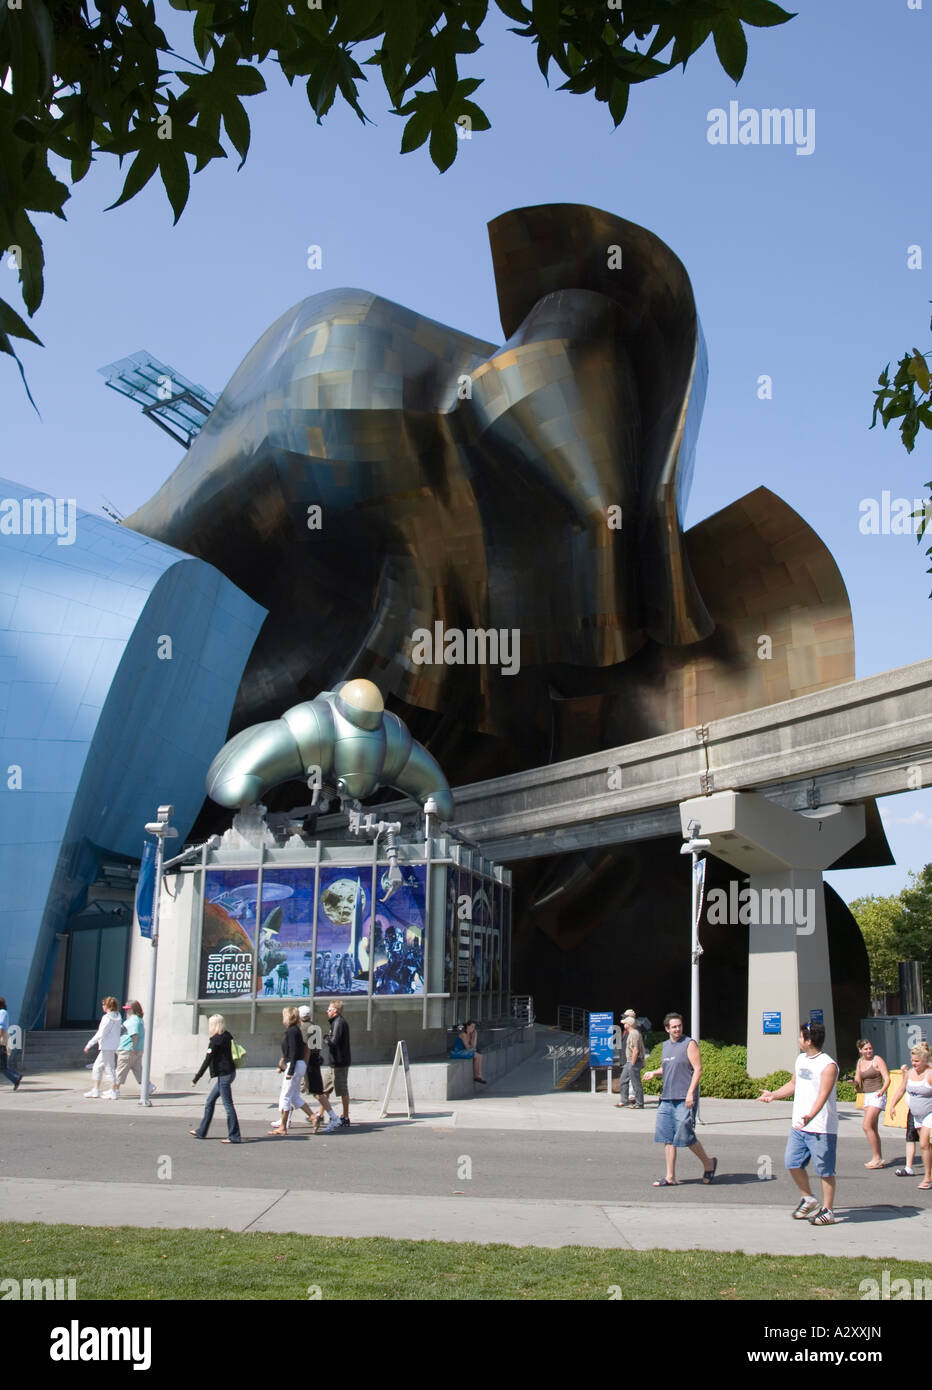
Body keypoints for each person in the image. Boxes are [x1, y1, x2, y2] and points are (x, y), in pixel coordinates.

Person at [758, 1020, 839, 1225]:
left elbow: (823, 1095)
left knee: (825, 1170)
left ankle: (828, 1210)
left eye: (801, 1036)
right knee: (792, 1162)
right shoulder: (801, 1059)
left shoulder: (828, 1065)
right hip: (799, 1126)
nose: (798, 1039)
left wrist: (811, 1114)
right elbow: (794, 1084)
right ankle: (809, 1198)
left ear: (809, 1040)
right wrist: (773, 1095)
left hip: (821, 1127)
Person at [643, 1012, 716, 1186]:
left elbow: (698, 1069)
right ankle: (670, 1177)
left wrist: (691, 1093)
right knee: (667, 1137)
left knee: (685, 1135)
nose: (677, 1029)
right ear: (667, 1029)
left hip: (684, 1097)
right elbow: (667, 1067)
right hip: (667, 1097)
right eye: (674, 1027)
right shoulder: (665, 1046)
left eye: (679, 1026)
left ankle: (708, 1163)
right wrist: (654, 1072)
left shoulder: (689, 1044)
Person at [190, 1014, 242, 1142]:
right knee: (210, 1101)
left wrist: (196, 1078)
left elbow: (207, 1060)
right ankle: (202, 1131)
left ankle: (234, 1136)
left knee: (228, 1105)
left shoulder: (215, 1040)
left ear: (213, 1025)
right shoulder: (227, 1036)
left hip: (224, 1075)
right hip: (229, 1073)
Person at [888, 1042, 932, 1189]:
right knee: (926, 1147)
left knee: (924, 1143)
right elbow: (901, 1090)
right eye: (912, 1060)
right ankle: (929, 1173)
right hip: (916, 1115)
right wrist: (892, 1105)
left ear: (925, 1060)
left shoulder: (930, 1074)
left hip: (929, 1113)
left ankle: (927, 1178)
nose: (914, 1063)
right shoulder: (910, 1073)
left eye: (917, 1061)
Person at [269, 1006, 318, 1135]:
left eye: (283, 1015)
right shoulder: (296, 1030)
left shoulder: (292, 1031)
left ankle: (283, 1127)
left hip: (294, 1065)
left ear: (288, 1017)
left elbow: (294, 1052)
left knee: (285, 1097)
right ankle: (313, 1117)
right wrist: (282, 1066)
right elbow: (299, 1048)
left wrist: (289, 1071)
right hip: (298, 1064)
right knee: (295, 1097)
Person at [298, 1005, 337, 1133]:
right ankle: (285, 1119)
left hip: (308, 1062)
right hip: (315, 1059)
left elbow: (304, 1047)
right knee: (299, 1091)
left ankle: (332, 1116)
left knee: (315, 1092)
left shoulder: (303, 1028)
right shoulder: (316, 1027)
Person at [854, 1037, 890, 1169]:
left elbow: (887, 1078)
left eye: (870, 1048)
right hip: (868, 1096)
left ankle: (877, 1158)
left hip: (877, 1095)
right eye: (866, 1049)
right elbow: (858, 1081)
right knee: (872, 1128)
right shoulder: (860, 1062)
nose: (869, 1051)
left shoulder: (877, 1060)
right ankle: (878, 1158)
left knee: (866, 1126)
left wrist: (882, 1090)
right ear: (860, 1050)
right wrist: (853, 1083)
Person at [112, 1001, 155, 1100]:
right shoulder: (138, 1020)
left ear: (133, 1009)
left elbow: (134, 1035)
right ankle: (148, 1086)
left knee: (120, 1071)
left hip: (128, 1050)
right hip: (134, 1050)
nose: (126, 1011)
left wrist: (133, 1048)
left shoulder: (133, 1020)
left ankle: (115, 1091)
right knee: (138, 1070)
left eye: (127, 1009)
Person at [83, 996, 122, 1099]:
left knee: (109, 1068)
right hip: (111, 1046)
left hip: (106, 1046)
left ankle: (113, 1091)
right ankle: (95, 1090)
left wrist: (89, 1044)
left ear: (107, 1006)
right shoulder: (118, 1016)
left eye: (103, 1004)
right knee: (97, 1067)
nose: (102, 1006)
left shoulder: (107, 1018)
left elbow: (100, 1033)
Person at [323, 999, 352, 1125]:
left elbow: (333, 1042)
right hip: (334, 1062)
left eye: (329, 1009)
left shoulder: (339, 1022)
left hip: (339, 1062)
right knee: (325, 1090)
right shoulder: (335, 1022)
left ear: (335, 1010)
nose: (327, 1011)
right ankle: (320, 1114)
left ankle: (345, 1116)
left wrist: (325, 1039)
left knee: (342, 1090)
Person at [615, 1010, 645, 1109]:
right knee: (623, 1079)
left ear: (630, 1023)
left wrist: (632, 1063)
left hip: (633, 1061)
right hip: (628, 1061)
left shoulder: (634, 1033)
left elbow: (636, 1050)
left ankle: (639, 1103)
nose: (624, 1023)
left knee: (636, 1082)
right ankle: (624, 1100)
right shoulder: (629, 1032)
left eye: (626, 1022)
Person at [450, 1020, 486, 1084]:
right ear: (467, 1026)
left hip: (465, 1052)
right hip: (458, 1052)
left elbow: (473, 1046)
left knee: (480, 1056)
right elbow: (468, 1047)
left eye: (474, 1027)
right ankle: (477, 1076)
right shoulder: (463, 1034)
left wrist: (475, 1035)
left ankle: (479, 1076)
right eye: (472, 1026)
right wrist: (473, 1049)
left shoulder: (470, 1035)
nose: (473, 1028)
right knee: (478, 1055)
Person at [0, 996, 22, 1090]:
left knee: (2, 1066)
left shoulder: (2, 1012)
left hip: (0, 1043)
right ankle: (16, 1077)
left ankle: (16, 1077)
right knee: (2, 1066)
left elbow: (0, 1027)